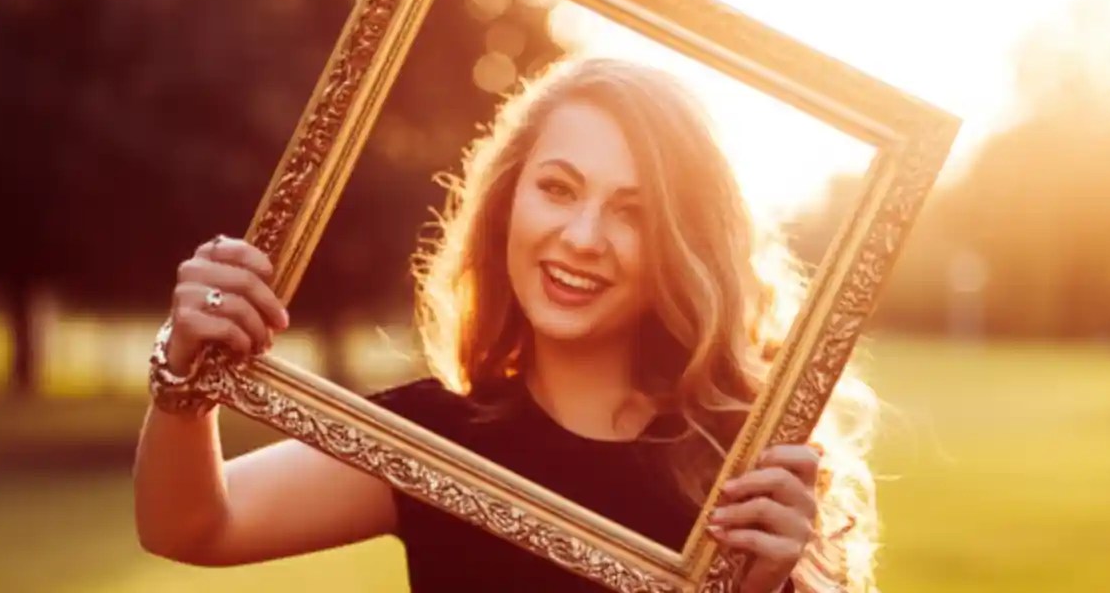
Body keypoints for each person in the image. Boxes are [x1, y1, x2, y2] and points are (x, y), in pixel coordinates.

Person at [133, 58, 880, 592]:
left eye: (634, 212)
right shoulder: (432, 441)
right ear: (507, 203)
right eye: (558, 188)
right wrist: (183, 376)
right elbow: (192, 525)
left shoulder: (741, 469)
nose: (583, 237)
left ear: (680, 246)